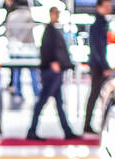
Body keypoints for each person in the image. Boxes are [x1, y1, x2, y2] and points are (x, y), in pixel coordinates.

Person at [26, 7, 76, 141]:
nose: (57, 16)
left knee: (59, 104)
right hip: (51, 73)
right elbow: (46, 50)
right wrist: (53, 64)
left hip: (54, 72)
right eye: (55, 13)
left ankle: (67, 131)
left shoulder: (53, 30)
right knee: (42, 102)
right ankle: (32, 131)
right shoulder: (49, 31)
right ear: (50, 14)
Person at [84, 0, 113, 135]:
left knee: (96, 95)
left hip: (97, 65)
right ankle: (88, 124)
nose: (110, 8)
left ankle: (92, 123)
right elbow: (98, 49)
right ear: (99, 7)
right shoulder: (98, 24)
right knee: (95, 94)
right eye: (107, 6)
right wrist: (105, 66)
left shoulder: (100, 23)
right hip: (98, 66)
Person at [4, 0, 40, 102]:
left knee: (17, 72)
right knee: (33, 72)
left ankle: (18, 93)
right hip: (28, 48)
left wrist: (16, 41)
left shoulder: (11, 16)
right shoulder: (29, 15)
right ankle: (36, 93)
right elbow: (29, 31)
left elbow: (8, 33)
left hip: (16, 48)